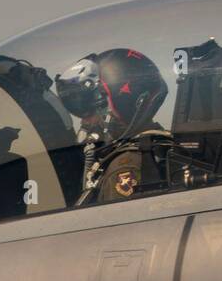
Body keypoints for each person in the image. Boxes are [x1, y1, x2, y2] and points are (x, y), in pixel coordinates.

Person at [55, 48, 170, 205]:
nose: (84, 121)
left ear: (124, 103)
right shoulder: (159, 144)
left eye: (90, 110)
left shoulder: (124, 168)